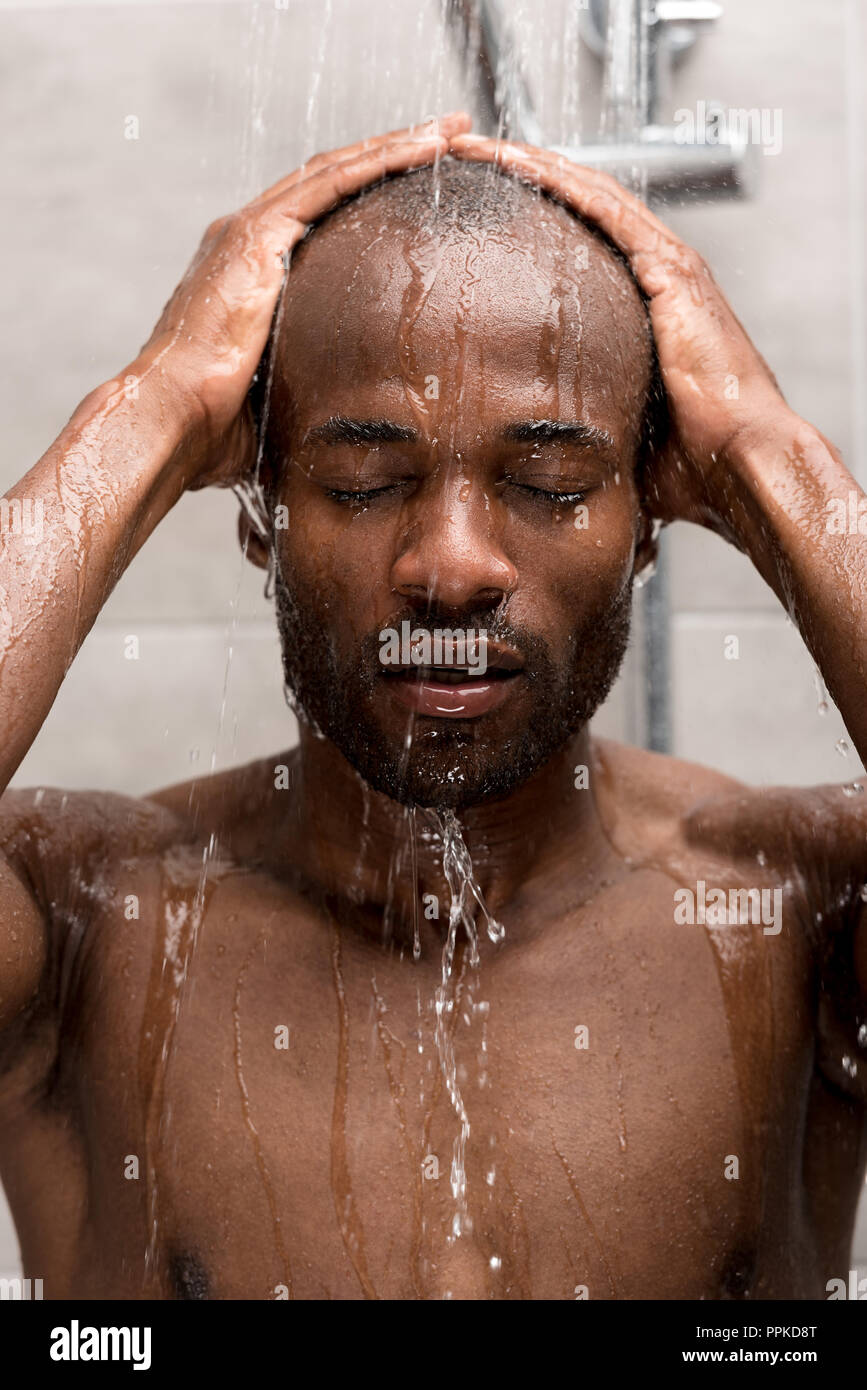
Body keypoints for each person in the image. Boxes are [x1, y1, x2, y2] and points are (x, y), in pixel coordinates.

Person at [0, 111, 865, 1301]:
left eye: (551, 482)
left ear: (654, 515)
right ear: (259, 511)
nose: (452, 564)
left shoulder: (795, 910)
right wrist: (150, 410)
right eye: (362, 482)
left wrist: (770, 453)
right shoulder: (86, 920)